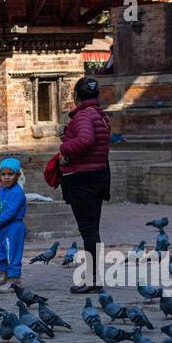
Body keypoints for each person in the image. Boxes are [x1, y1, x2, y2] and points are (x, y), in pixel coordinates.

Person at [59, 76, 111, 295]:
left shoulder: (82, 116)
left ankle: (92, 279)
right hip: (99, 175)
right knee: (93, 231)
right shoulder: (99, 115)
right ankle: (95, 278)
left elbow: (86, 141)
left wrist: (65, 147)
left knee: (88, 232)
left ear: (77, 96)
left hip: (83, 179)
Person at [0, 157, 27, 292]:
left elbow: (10, 213)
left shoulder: (17, 193)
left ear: (17, 175)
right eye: (3, 174)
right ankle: (3, 275)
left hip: (14, 228)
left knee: (12, 253)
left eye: (10, 174)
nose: (7, 177)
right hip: (3, 228)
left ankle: (14, 280)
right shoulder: (2, 190)